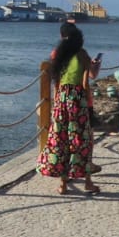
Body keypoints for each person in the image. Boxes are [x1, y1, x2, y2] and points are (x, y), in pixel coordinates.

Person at [38, 27, 102, 195]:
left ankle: (63, 185)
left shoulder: (58, 55)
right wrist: (96, 66)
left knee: (61, 141)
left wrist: (56, 103)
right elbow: (87, 80)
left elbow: (56, 82)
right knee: (81, 140)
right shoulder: (82, 54)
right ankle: (87, 182)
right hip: (77, 99)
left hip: (61, 99)